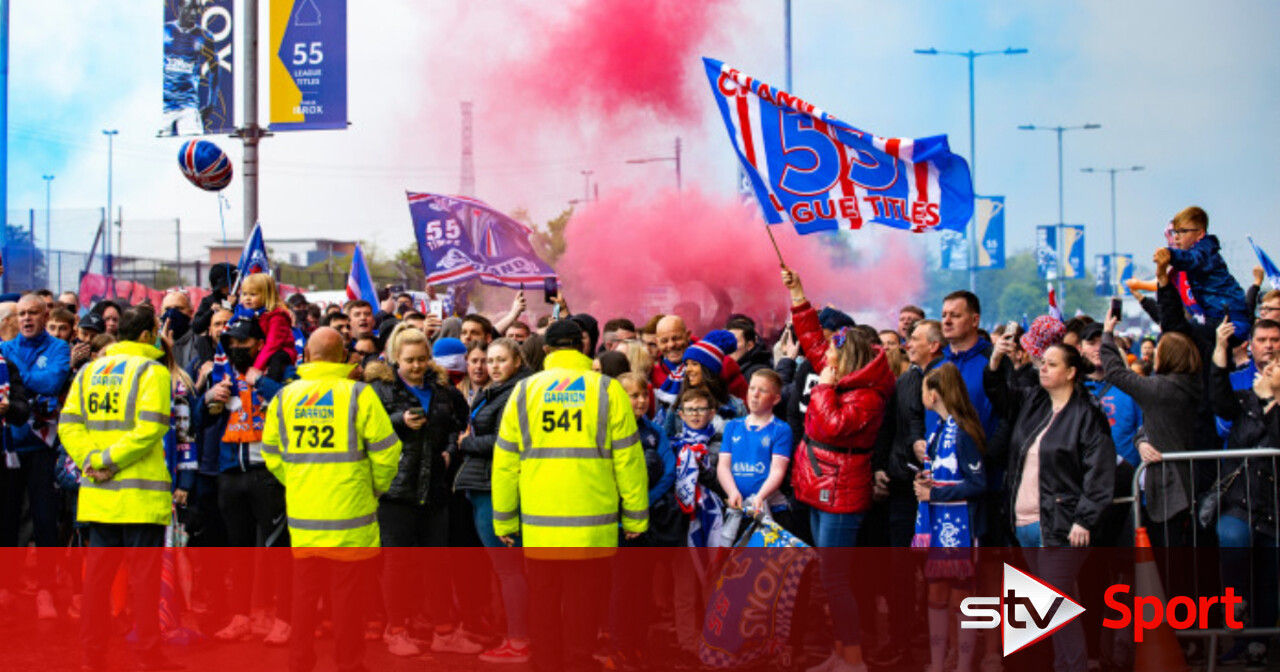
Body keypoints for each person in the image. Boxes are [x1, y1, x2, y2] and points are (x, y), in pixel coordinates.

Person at [491, 319, 648, 672]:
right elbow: (629, 460)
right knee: (585, 607)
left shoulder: (525, 391)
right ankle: (578, 663)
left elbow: (504, 463)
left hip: (539, 527)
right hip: (593, 527)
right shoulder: (607, 391)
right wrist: (636, 515)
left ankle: (546, 664)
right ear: (584, 347)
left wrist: (503, 518)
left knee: (543, 606)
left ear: (546, 350)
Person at [262, 327, 403, 672]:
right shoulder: (358, 394)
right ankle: (349, 663)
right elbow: (387, 453)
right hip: (351, 517)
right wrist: (374, 489)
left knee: (304, 599)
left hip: (304, 517)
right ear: (343, 357)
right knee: (348, 601)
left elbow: (271, 454)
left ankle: (300, 663)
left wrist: (297, 482)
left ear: (306, 356)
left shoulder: (284, 397)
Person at [781, 267, 894, 672]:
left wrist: (824, 387)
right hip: (816, 486)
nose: (821, 355)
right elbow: (811, 338)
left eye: (831, 352)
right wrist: (797, 294)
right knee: (831, 578)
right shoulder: (842, 374)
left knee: (836, 579)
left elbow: (832, 425)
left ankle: (854, 658)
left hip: (840, 497)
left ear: (848, 357)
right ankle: (839, 652)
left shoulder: (868, 395)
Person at [58, 304, 182, 671]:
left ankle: (91, 657)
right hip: (140, 497)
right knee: (144, 586)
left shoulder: (90, 371)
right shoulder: (152, 371)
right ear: (146, 335)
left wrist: (93, 459)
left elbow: (69, 426)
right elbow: (151, 429)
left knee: (96, 585)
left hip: (98, 496)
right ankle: (148, 656)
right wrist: (106, 458)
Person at [985, 334, 1115, 672]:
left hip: (1062, 524)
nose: (1043, 368)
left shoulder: (1087, 415)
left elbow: (1099, 473)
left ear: (1071, 372)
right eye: (1043, 363)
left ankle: (1073, 667)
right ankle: (1065, 665)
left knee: (1054, 607)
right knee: (1054, 606)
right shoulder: (1034, 403)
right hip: (1026, 522)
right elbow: (1001, 396)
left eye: (1052, 364)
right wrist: (996, 363)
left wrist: (1084, 519)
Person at [363, 324, 471, 656]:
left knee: (437, 564)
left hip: (435, 487)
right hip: (395, 490)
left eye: (423, 359)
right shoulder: (379, 390)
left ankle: (443, 631)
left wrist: (451, 450)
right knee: (397, 565)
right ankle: (397, 629)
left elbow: (456, 425)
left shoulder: (442, 389)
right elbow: (364, 432)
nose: (417, 366)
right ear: (396, 358)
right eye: (410, 360)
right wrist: (398, 421)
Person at [201, 317, 294, 644]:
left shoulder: (281, 368)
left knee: (276, 552)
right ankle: (242, 617)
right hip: (230, 475)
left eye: (243, 342)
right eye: (231, 343)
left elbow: (292, 401)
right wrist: (209, 396)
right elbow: (200, 418)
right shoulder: (221, 373)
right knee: (238, 552)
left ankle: (283, 619)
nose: (236, 348)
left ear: (258, 343)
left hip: (268, 475)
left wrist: (260, 382)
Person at [453, 337, 534, 663]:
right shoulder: (498, 392)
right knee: (509, 570)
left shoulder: (514, 394)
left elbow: (506, 441)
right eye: (491, 360)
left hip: (494, 489)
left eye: (501, 360)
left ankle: (519, 641)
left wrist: (466, 443)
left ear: (517, 362)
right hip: (485, 486)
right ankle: (516, 634)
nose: (493, 366)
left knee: (510, 569)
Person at [1209, 319, 1280, 669]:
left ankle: (1258, 643)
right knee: (1232, 538)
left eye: (1275, 340)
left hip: (1275, 505)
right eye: (1262, 340)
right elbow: (1219, 401)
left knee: (1269, 575)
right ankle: (1235, 607)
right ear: (1250, 345)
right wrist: (1220, 351)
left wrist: (1274, 402)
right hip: (1240, 498)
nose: (1269, 346)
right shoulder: (1244, 393)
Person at [1098, 314, 1202, 549]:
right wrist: (1141, 440)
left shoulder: (1161, 389)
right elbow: (1150, 425)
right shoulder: (1190, 384)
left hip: (1169, 488)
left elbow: (1115, 373)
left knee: (1167, 557)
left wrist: (1107, 334)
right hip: (1177, 482)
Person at [0, 294, 71, 618]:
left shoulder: (58, 348)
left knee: (45, 521)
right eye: (22, 314)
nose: (27, 319)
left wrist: (16, 378)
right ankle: (8, 587)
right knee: (7, 520)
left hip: (43, 448)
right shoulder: (6, 348)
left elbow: (52, 381)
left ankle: (46, 589)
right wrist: (26, 383)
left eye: (33, 313)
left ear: (45, 315)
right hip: (11, 447)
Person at [915, 363, 987, 672]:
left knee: (961, 598)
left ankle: (964, 664)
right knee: (936, 593)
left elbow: (978, 483)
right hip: (936, 526)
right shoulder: (938, 430)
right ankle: (937, 662)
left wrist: (936, 494)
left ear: (933, 394)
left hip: (960, 528)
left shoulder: (964, 432)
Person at [1157, 205, 1249, 339]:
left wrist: (1170, 254)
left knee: (1182, 335)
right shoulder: (1200, 251)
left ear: (1200, 233)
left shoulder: (1205, 251)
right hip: (1217, 317)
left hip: (1231, 321)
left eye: (1182, 231)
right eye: (1174, 232)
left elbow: (1192, 260)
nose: (1176, 237)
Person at [717, 369, 792, 530]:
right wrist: (732, 492)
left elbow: (778, 471)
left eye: (763, 390)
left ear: (776, 399)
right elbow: (723, 466)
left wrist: (761, 496)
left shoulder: (781, 429)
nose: (755, 394)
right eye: (752, 388)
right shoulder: (732, 426)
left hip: (770, 508)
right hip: (738, 507)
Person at [161, 0, 218, 135]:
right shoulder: (165, 31)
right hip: (164, 107)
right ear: (180, 8)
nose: (193, 13)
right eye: (189, 8)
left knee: (195, 147)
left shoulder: (204, 36)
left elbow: (214, 69)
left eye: (196, 9)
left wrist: (212, 103)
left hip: (188, 105)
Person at [238, 273, 297, 384]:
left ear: (267, 295)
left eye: (253, 294)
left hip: (281, 351)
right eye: (244, 294)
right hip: (262, 349)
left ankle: (269, 385)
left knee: (277, 359)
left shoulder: (277, 317)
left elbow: (273, 345)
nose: (247, 298)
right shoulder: (249, 314)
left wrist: (256, 368)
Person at [193, 263, 237, 337]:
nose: (233, 287)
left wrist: (233, 306)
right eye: (228, 285)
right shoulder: (208, 301)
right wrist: (211, 311)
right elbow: (196, 327)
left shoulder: (240, 300)